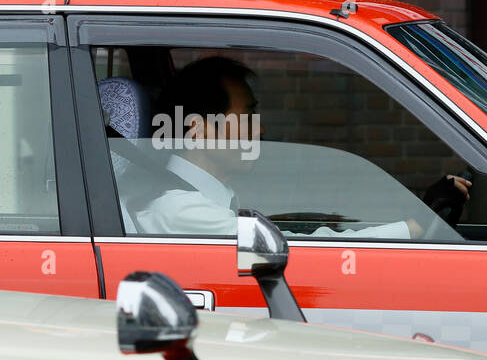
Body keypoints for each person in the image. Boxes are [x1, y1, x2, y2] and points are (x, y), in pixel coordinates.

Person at [131, 56, 468, 237]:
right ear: (197, 129)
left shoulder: (199, 201)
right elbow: (299, 252)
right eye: (247, 116)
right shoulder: (181, 210)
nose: (260, 129)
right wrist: (416, 226)